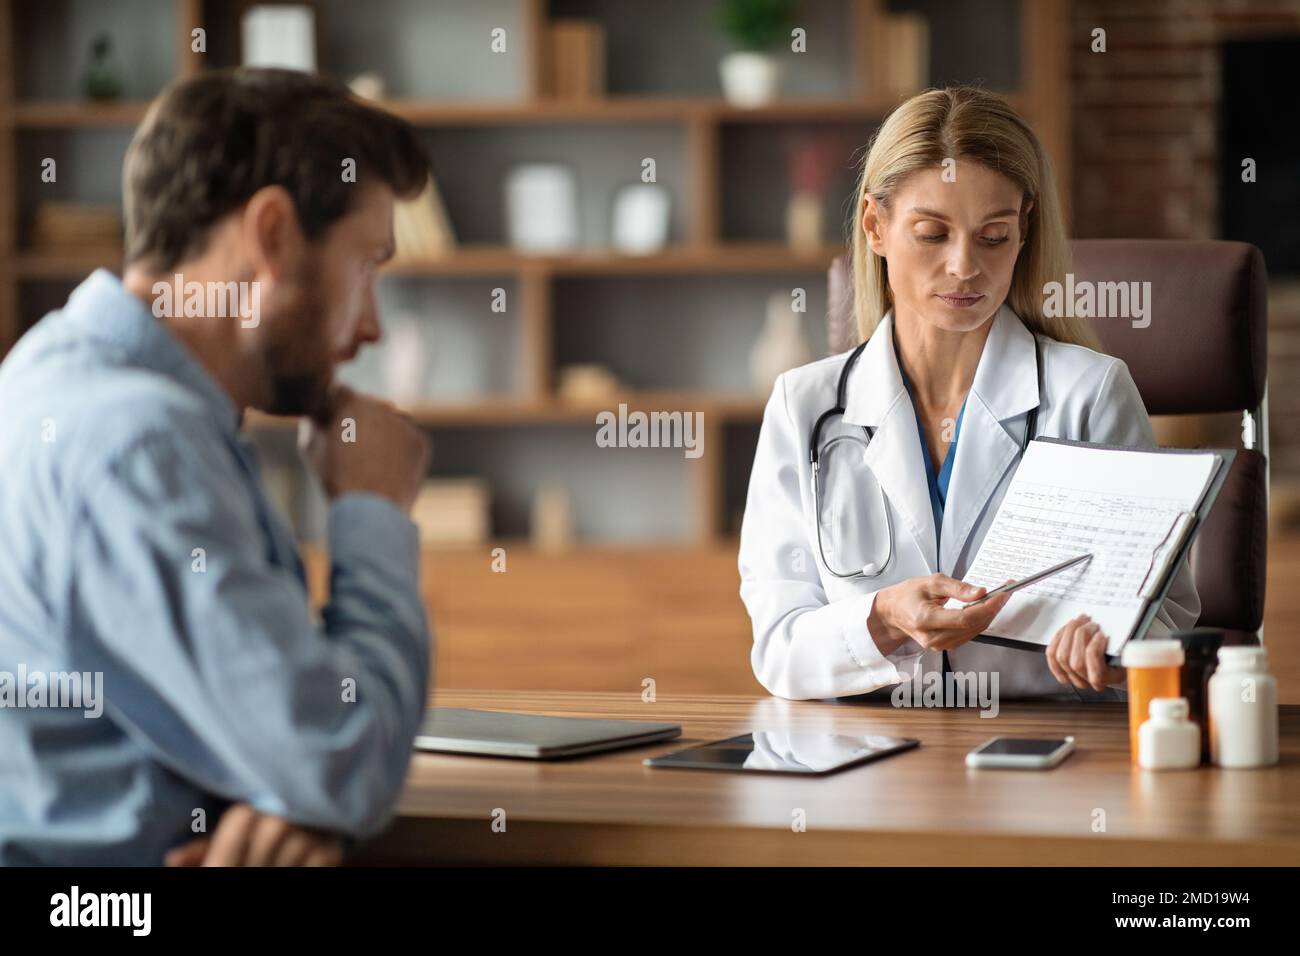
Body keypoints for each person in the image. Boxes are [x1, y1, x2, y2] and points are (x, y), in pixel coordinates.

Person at [0, 68, 433, 864]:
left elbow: (281, 742)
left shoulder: (49, 373)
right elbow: (345, 760)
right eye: (366, 265)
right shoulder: (140, 444)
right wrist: (372, 508)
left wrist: (282, 795)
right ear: (271, 233)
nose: (370, 326)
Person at [738, 87, 1199, 702]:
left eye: (993, 236)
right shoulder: (805, 406)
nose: (964, 266)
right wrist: (882, 617)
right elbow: (778, 648)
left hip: (1043, 753)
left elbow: (1168, 622)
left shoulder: (1089, 394)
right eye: (932, 233)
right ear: (875, 226)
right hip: (870, 757)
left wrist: (1115, 656)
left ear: (1024, 233)